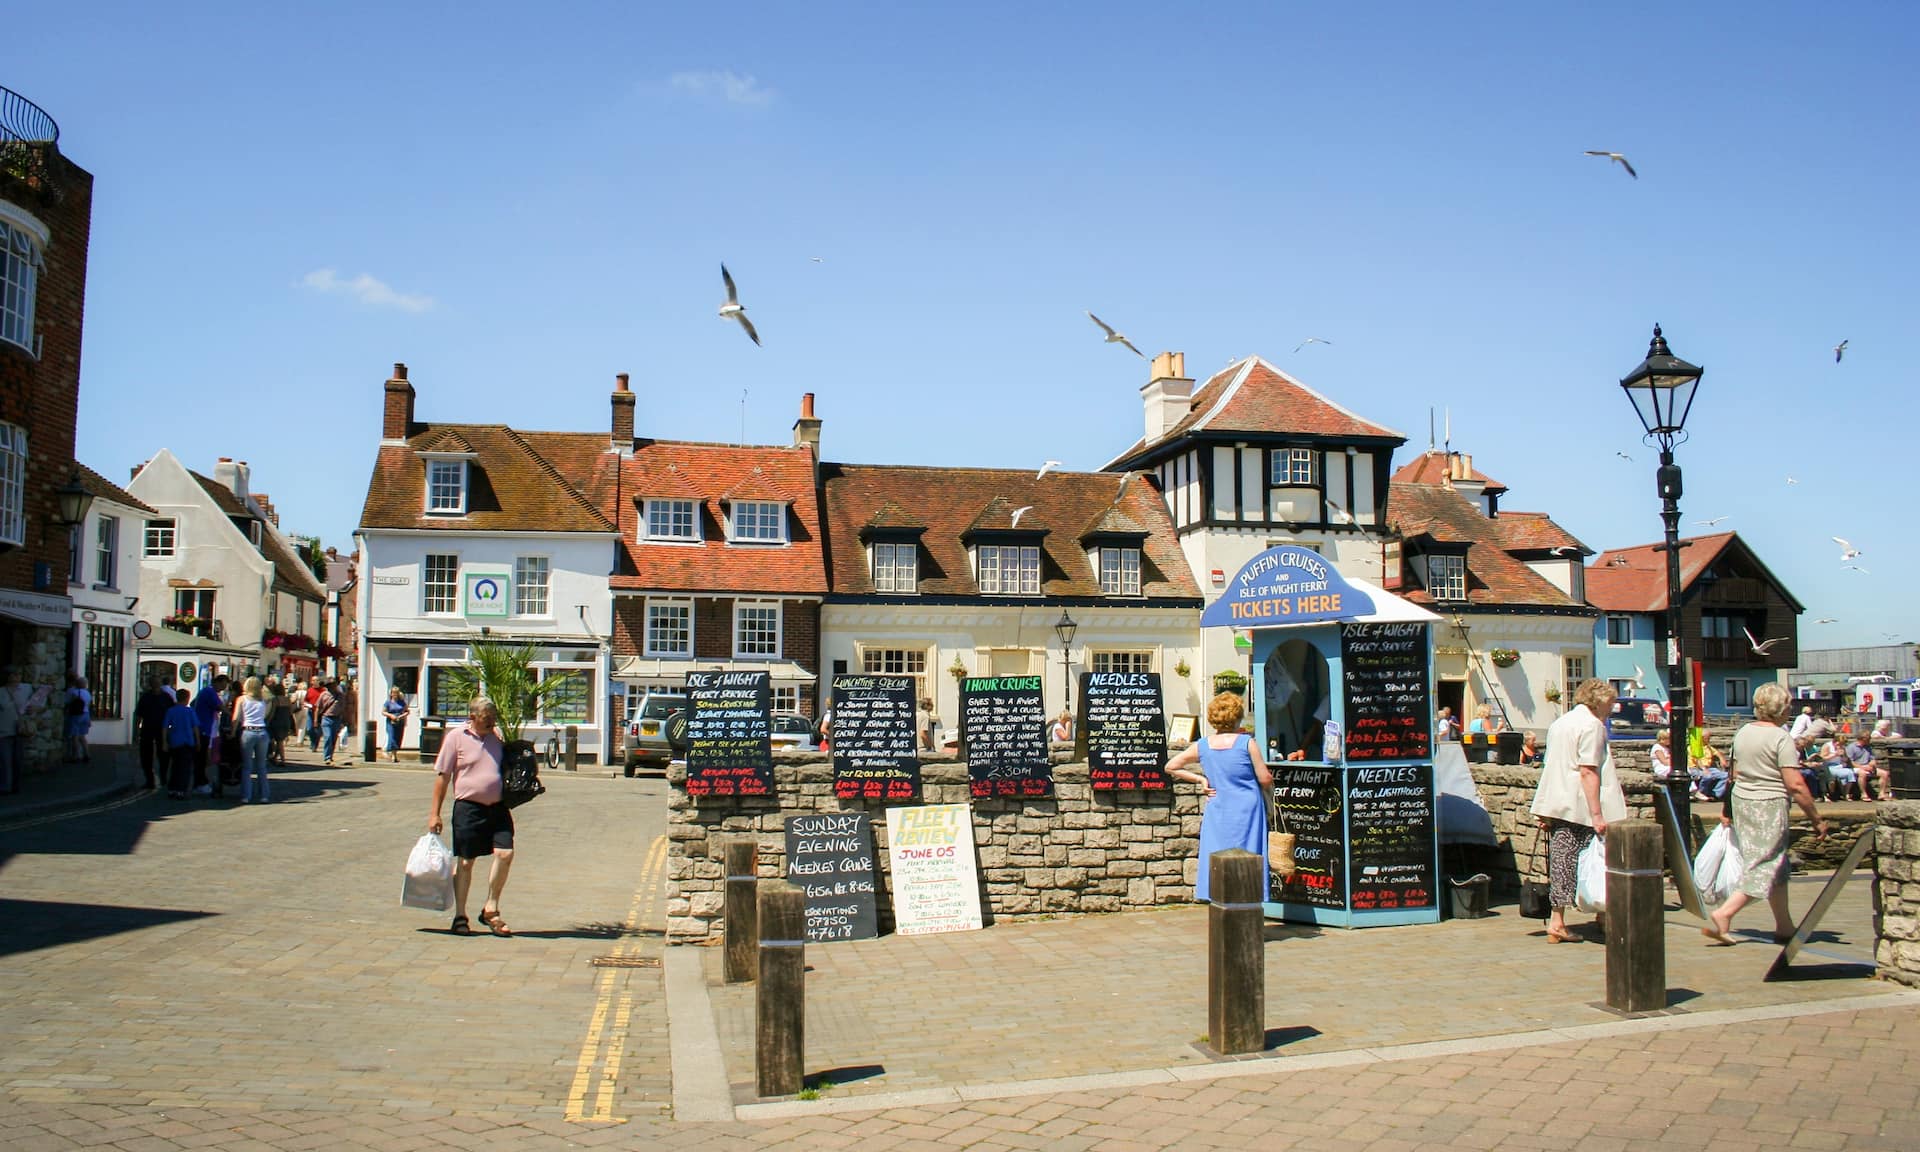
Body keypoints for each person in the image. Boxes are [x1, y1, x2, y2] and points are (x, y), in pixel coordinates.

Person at [1705, 683, 1827, 945]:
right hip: (1768, 804)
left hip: (1742, 801)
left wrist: (1726, 809)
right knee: (1766, 865)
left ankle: (1784, 926)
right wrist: (1816, 818)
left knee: (1777, 865)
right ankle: (1724, 913)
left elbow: (1732, 776)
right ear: (1781, 709)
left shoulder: (1743, 732)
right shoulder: (1781, 738)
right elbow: (1795, 784)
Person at [1529, 679, 1626, 944]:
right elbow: (1588, 770)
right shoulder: (1592, 726)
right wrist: (1597, 814)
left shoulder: (1561, 723)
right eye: (1610, 702)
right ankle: (1598, 914)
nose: (1612, 707)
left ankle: (1559, 919)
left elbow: (1553, 765)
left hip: (1559, 801)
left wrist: (1544, 809)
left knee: (1563, 859)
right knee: (1597, 859)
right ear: (1599, 701)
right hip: (1581, 805)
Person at [1164, 691, 1274, 902]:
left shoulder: (1203, 745)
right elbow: (1265, 778)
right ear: (1238, 716)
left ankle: (1220, 898)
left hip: (1218, 807)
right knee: (1249, 854)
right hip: (1247, 808)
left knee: (1217, 852)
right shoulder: (1246, 743)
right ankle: (1247, 898)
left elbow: (1171, 766)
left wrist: (1201, 780)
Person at [427, 696, 515, 937]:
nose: (491, 722)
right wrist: (434, 814)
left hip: (497, 807)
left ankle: (491, 908)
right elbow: (443, 777)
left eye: (494, 718)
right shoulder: (456, 738)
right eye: (487, 718)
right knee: (466, 862)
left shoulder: (497, 737)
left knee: (505, 853)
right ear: (473, 716)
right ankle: (460, 916)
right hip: (468, 808)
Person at [229, 676, 272, 804]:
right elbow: (265, 715)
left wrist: (232, 732)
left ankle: (246, 796)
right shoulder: (264, 700)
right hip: (262, 731)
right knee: (261, 766)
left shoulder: (241, 699)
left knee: (247, 766)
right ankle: (264, 795)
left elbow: (236, 718)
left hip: (248, 731)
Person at [134, 674, 176, 788]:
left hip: (162, 730)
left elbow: (172, 713)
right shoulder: (145, 697)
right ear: (151, 685)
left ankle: (162, 778)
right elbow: (138, 715)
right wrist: (137, 731)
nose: (156, 685)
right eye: (154, 683)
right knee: (146, 756)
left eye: (157, 683)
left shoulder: (166, 697)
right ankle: (150, 780)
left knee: (164, 755)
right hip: (148, 729)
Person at [191, 674, 229, 795]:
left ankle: (200, 782)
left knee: (201, 757)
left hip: (205, 728)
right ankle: (199, 784)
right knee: (201, 758)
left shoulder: (207, 691)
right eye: (224, 684)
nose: (225, 687)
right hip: (203, 728)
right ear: (218, 682)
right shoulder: (210, 692)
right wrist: (233, 714)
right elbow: (221, 707)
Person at [0, 666, 34, 794]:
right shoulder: (1, 691)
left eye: (19, 674)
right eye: (14, 674)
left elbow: (33, 705)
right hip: (4, 730)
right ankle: (5, 787)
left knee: (18, 760)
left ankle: (15, 786)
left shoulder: (26, 689)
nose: (17, 677)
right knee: (5, 760)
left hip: (20, 729)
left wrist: (32, 709)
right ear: (8, 676)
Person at [163, 688, 198, 799]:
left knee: (175, 766)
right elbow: (195, 727)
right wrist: (198, 741)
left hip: (175, 742)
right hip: (187, 742)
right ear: (187, 698)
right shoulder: (190, 711)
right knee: (185, 768)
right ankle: (181, 790)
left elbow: (165, 727)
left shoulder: (171, 711)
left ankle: (172, 789)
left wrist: (164, 741)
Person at [318, 678, 355, 765]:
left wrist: (345, 720)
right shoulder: (323, 695)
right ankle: (327, 757)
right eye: (332, 685)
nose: (334, 686)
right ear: (328, 686)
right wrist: (316, 720)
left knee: (334, 738)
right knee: (328, 737)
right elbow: (318, 707)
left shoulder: (341, 695)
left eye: (335, 684)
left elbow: (344, 708)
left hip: (337, 719)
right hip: (326, 718)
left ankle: (330, 756)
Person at [1847, 733, 1886, 801]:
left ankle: (1881, 794)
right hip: (1856, 767)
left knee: (1884, 773)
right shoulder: (1851, 747)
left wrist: (1872, 764)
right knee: (1863, 774)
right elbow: (1850, 762)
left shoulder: (1868, 747)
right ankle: (1863, 794)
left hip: (1867, 766)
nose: (1869, 741)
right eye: (1868, 739)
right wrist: (1862, 767)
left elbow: (1872, 759)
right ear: (1862, 739)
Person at [63, 673, 93, 763]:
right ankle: (86, 754)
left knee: (74, 736)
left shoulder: (74, 692)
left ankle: (75, 756)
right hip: (86, 715)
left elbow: (67, 702)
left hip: (76, 715)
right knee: (82, 736)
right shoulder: (88, 693)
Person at [267, 678, 294, 764]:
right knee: (280, 741)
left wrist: (268, 721)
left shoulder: (275, 699)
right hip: (286, 721)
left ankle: (282, 759)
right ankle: (275, 757)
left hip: (277, 721)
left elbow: (272, 712)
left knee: (278, 741)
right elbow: (291, 712)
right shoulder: (287, 699)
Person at [383, 687, 410, 763]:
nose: (395, 694)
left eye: (396, 693)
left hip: (399, 722)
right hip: (390, 722)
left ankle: (394, 755)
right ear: (391, 694)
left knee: (398, 738)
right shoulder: (388, 702)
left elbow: (407, 711)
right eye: (393, 693)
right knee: (392, 737)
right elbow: (383, 712)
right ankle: (391, 754)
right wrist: (391, 716)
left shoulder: (402, 702)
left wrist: (400, 716)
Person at [304, 678, 325, 751]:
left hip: (320, 712)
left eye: (316, 680)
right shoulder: (309, 690)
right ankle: (313, 741)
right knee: (309, 728)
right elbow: (305, 701)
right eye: (313, 680)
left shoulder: (323, 690)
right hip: (311, 711)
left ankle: (315, 744)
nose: (314, 682)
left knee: (318, 730)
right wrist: (307, 705)